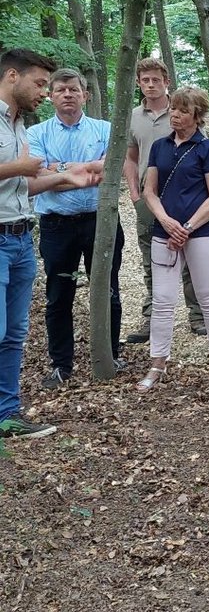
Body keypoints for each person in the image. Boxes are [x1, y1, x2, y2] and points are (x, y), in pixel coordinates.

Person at [0, 49, 105, 438]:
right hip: (7, 236)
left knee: (13, 333)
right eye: (41, 84)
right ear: (13, 76)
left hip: (21, 236)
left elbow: (27, 184)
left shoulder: (18, 125)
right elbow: (23, 171)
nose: (46, 93)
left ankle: (7, 415)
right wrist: (21, 167)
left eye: (53, 86)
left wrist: (70, 176)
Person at [28, 68, 124, 388]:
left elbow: (110, 170)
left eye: (73, 89)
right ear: (51, 96)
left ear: (86, 95)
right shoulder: (37, 134)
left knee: (108, 290)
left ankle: (110, 354)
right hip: (56, 226)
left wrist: (59, 172)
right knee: (58, 295)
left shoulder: (105, 129)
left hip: (101, 221)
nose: (67, 94)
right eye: (60, 90)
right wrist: (81, 171)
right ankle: (60, 364)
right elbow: (38, 179)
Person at [138, 87, 209, 391]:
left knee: (208, 297)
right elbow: (150, 190)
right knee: (162, 300)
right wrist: (165, 220)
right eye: (174, 109)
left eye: (183, 110)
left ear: (197, 116)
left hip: (202, 233)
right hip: (164, 233)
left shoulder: (207, 149)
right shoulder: (160, 147)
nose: (175, 115)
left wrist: (187, 227)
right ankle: (158, 362)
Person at [124, 57, 205, 342]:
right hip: (149, 197)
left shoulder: (183, 109)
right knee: (152, 258)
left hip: (184, 195)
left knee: (191, 251)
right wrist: (135, 194)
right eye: (144, 80)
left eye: (155, 80)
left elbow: (201, 152)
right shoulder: (132, 116)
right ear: (137, 83)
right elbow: (130, 157)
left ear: (166, 81)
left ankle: (198, 314)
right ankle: (153, 317)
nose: (150, 85)